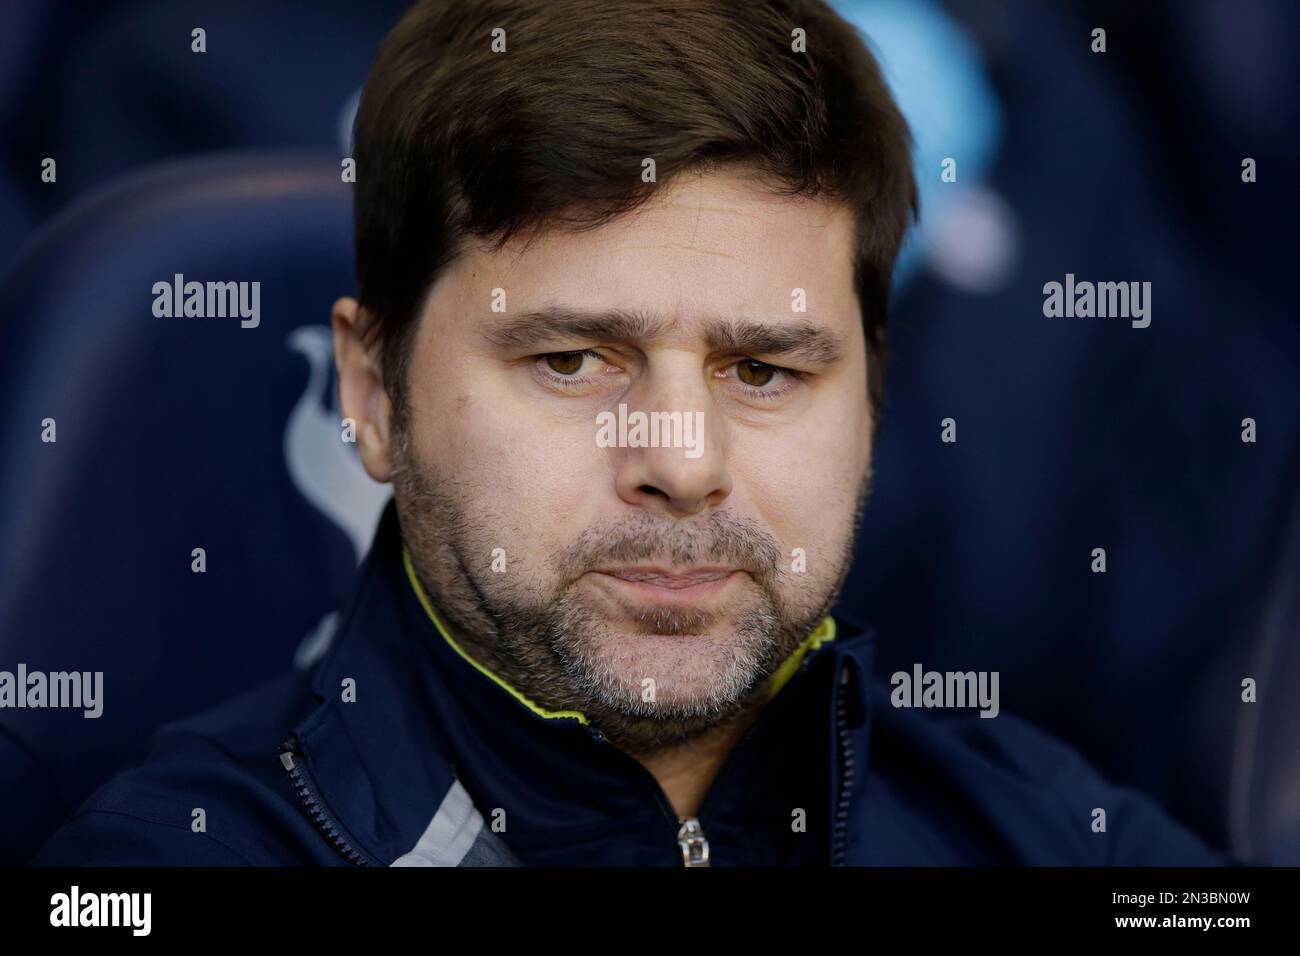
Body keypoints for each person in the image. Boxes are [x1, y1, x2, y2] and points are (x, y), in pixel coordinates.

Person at [33, 0, 1222, 866]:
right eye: (570, 360)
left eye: (762, 369)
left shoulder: (1042, 823)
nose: (684, 460)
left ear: (870, 399)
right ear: (373, 390)